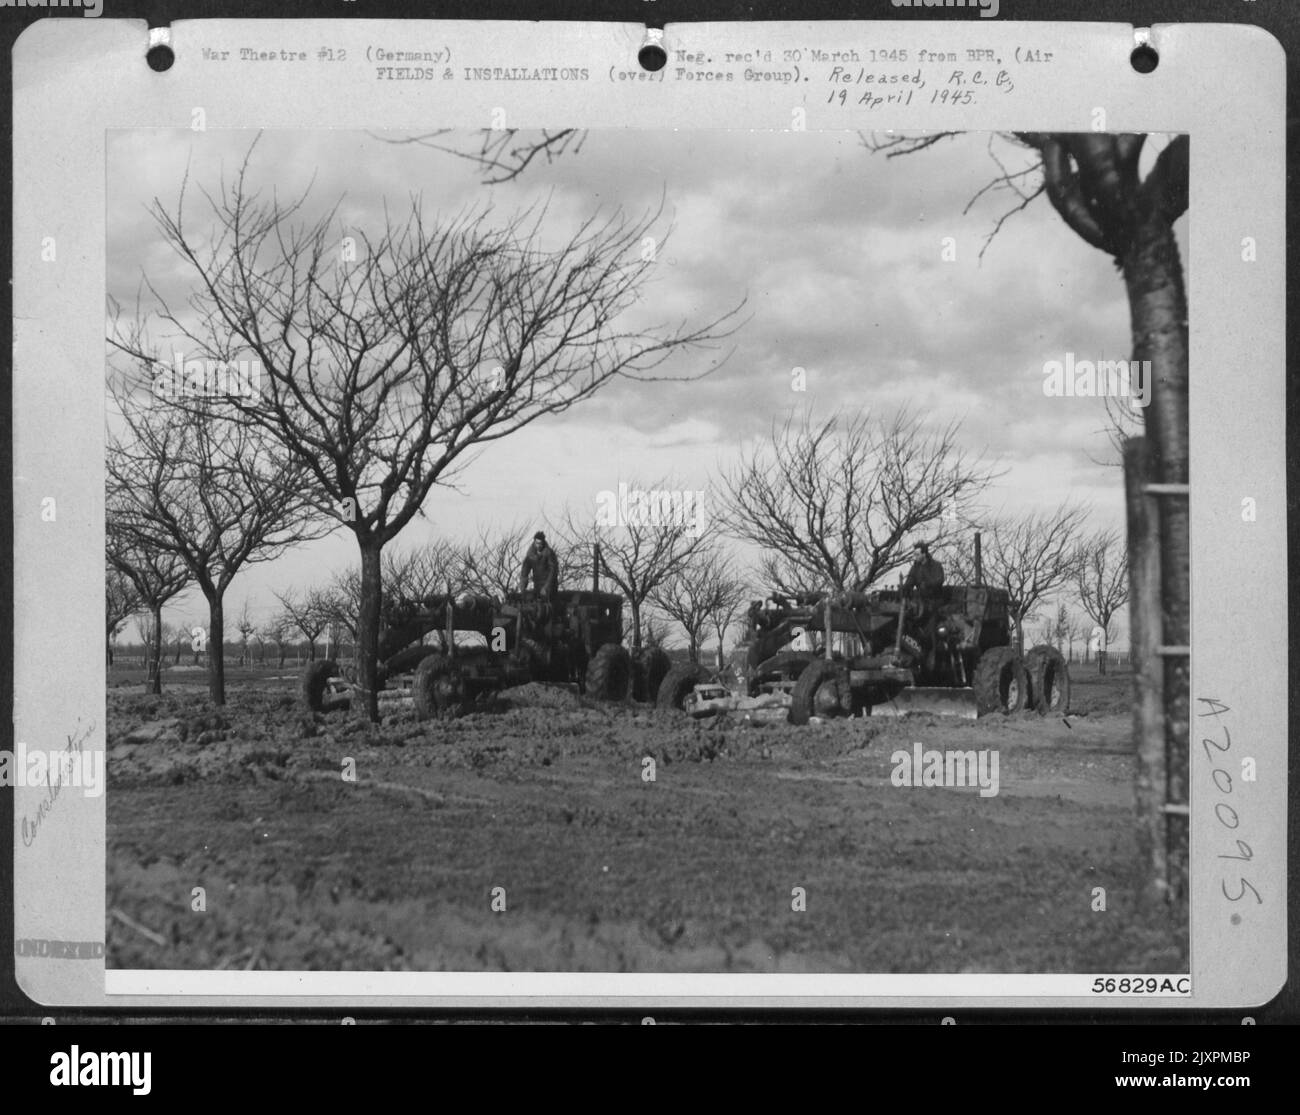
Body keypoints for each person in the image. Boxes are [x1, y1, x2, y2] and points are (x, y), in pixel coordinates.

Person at [520, 531, 560, 599]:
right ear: (534, 542)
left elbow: (553, 571)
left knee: (546, 603)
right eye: (537, 543)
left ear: (543, 543)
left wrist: (546, 587)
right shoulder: (530, 555)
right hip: (537, 585)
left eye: (540, 543)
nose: (539, 545)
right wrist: (523, 586)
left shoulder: (549, 554)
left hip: (550, 586)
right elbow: (524, 571)